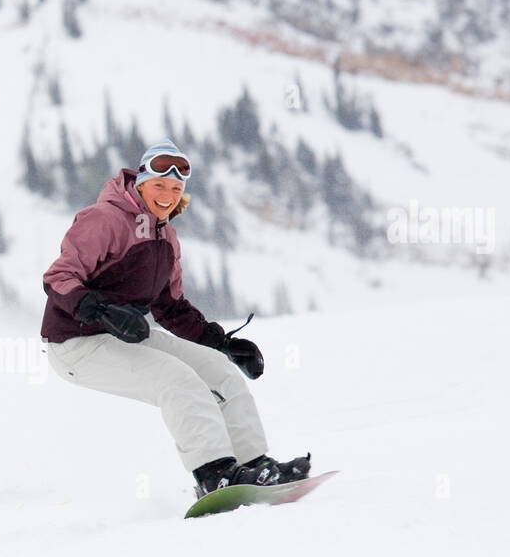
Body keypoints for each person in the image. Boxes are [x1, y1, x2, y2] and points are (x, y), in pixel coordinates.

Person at [40, 140, 309, 497]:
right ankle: (214, 476)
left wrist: (223, 344)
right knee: (177, 380)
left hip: (126, 336)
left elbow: (171, 307)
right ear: (140, 183)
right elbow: (58, 278)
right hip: (75, 342)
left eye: (176, 188)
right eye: (159, 185)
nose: (167, 195)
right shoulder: (104, 219)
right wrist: (100, 309)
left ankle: (254, 466)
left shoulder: (164, 235)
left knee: (220, 372)